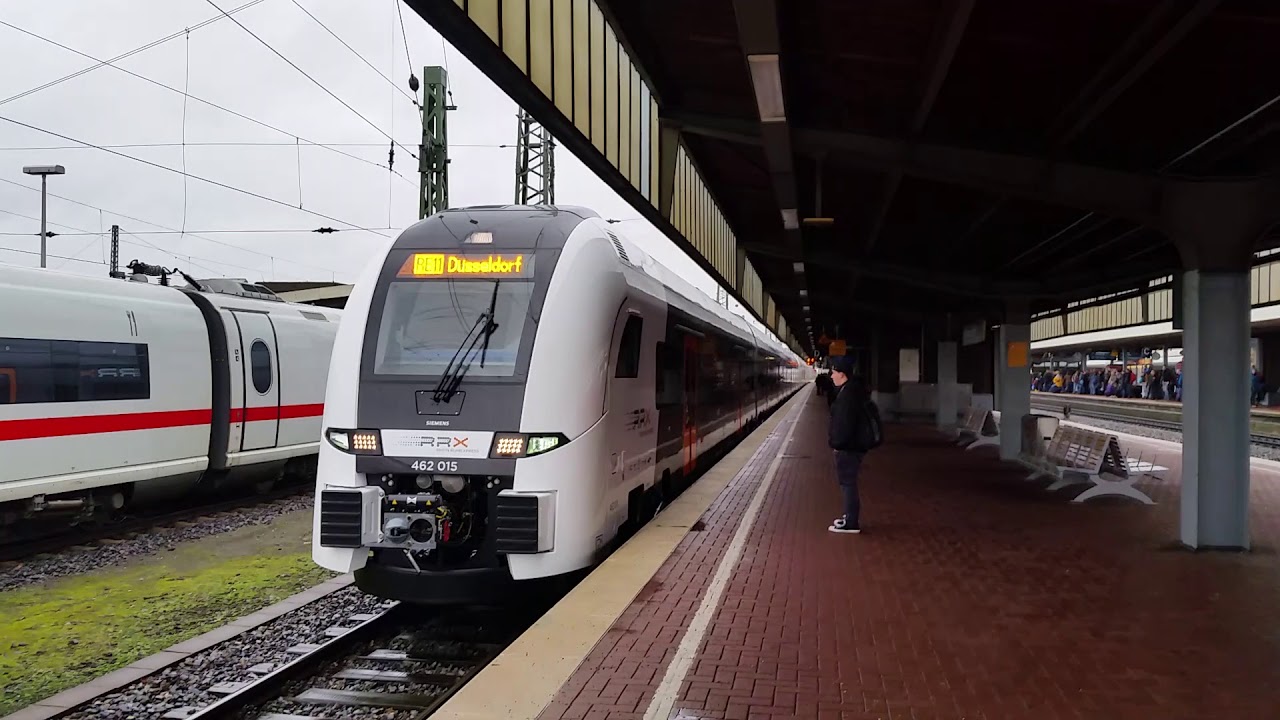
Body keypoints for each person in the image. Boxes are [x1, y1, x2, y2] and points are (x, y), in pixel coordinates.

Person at [826, 355, 882, 534]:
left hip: (849, 448)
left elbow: (845, 424)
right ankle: (849, 518)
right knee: (848, 483)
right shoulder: (852, 391)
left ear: (842, 375)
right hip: (853, 446)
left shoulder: (848, 395)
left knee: (848, 484)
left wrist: (836, 444)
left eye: (833, 372)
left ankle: (851, 522)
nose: (831, 376)